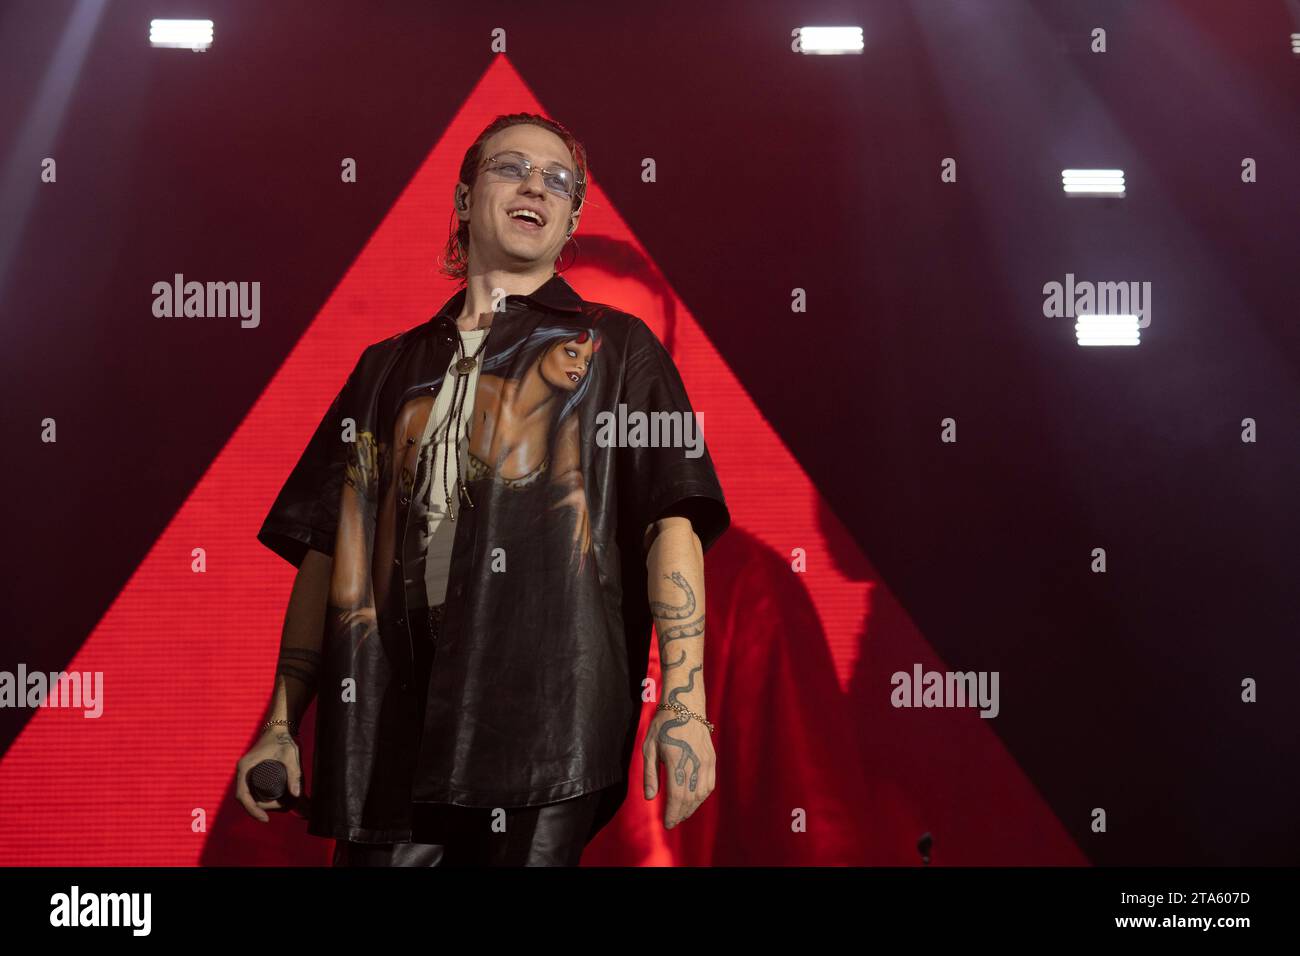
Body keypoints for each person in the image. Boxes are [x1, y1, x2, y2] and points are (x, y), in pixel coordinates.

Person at [233, 112, 730, 866]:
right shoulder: (385, 368)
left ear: (572, 221)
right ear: (465, 199)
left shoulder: (618, 349)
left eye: (558, 180)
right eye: (513, 169)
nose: (537, 185)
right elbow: (326, 550)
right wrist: (280, 722)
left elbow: (673, 520)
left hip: (543, 723)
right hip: (390, 725)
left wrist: (686, 703)